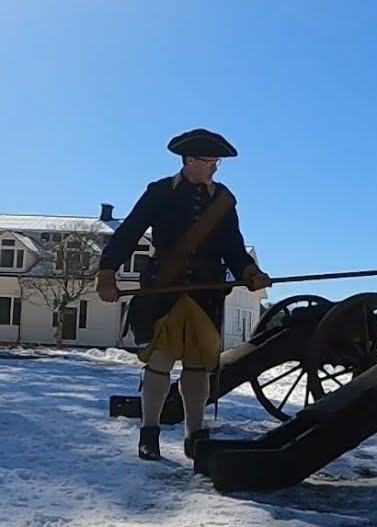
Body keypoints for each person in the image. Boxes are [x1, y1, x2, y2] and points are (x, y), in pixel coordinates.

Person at [97, 128, 272, 462]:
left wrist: (250, 273)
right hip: (164, 289)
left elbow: (234, 247)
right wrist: (108, 273)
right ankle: (149, 434)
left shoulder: (222, 201)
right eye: (210, 161)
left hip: (205, 294)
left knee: (197, 368)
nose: (215, 168)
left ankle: (195, 437)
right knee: (160, 363)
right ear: (190, 160)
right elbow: (129, 232)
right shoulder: (159, 192)